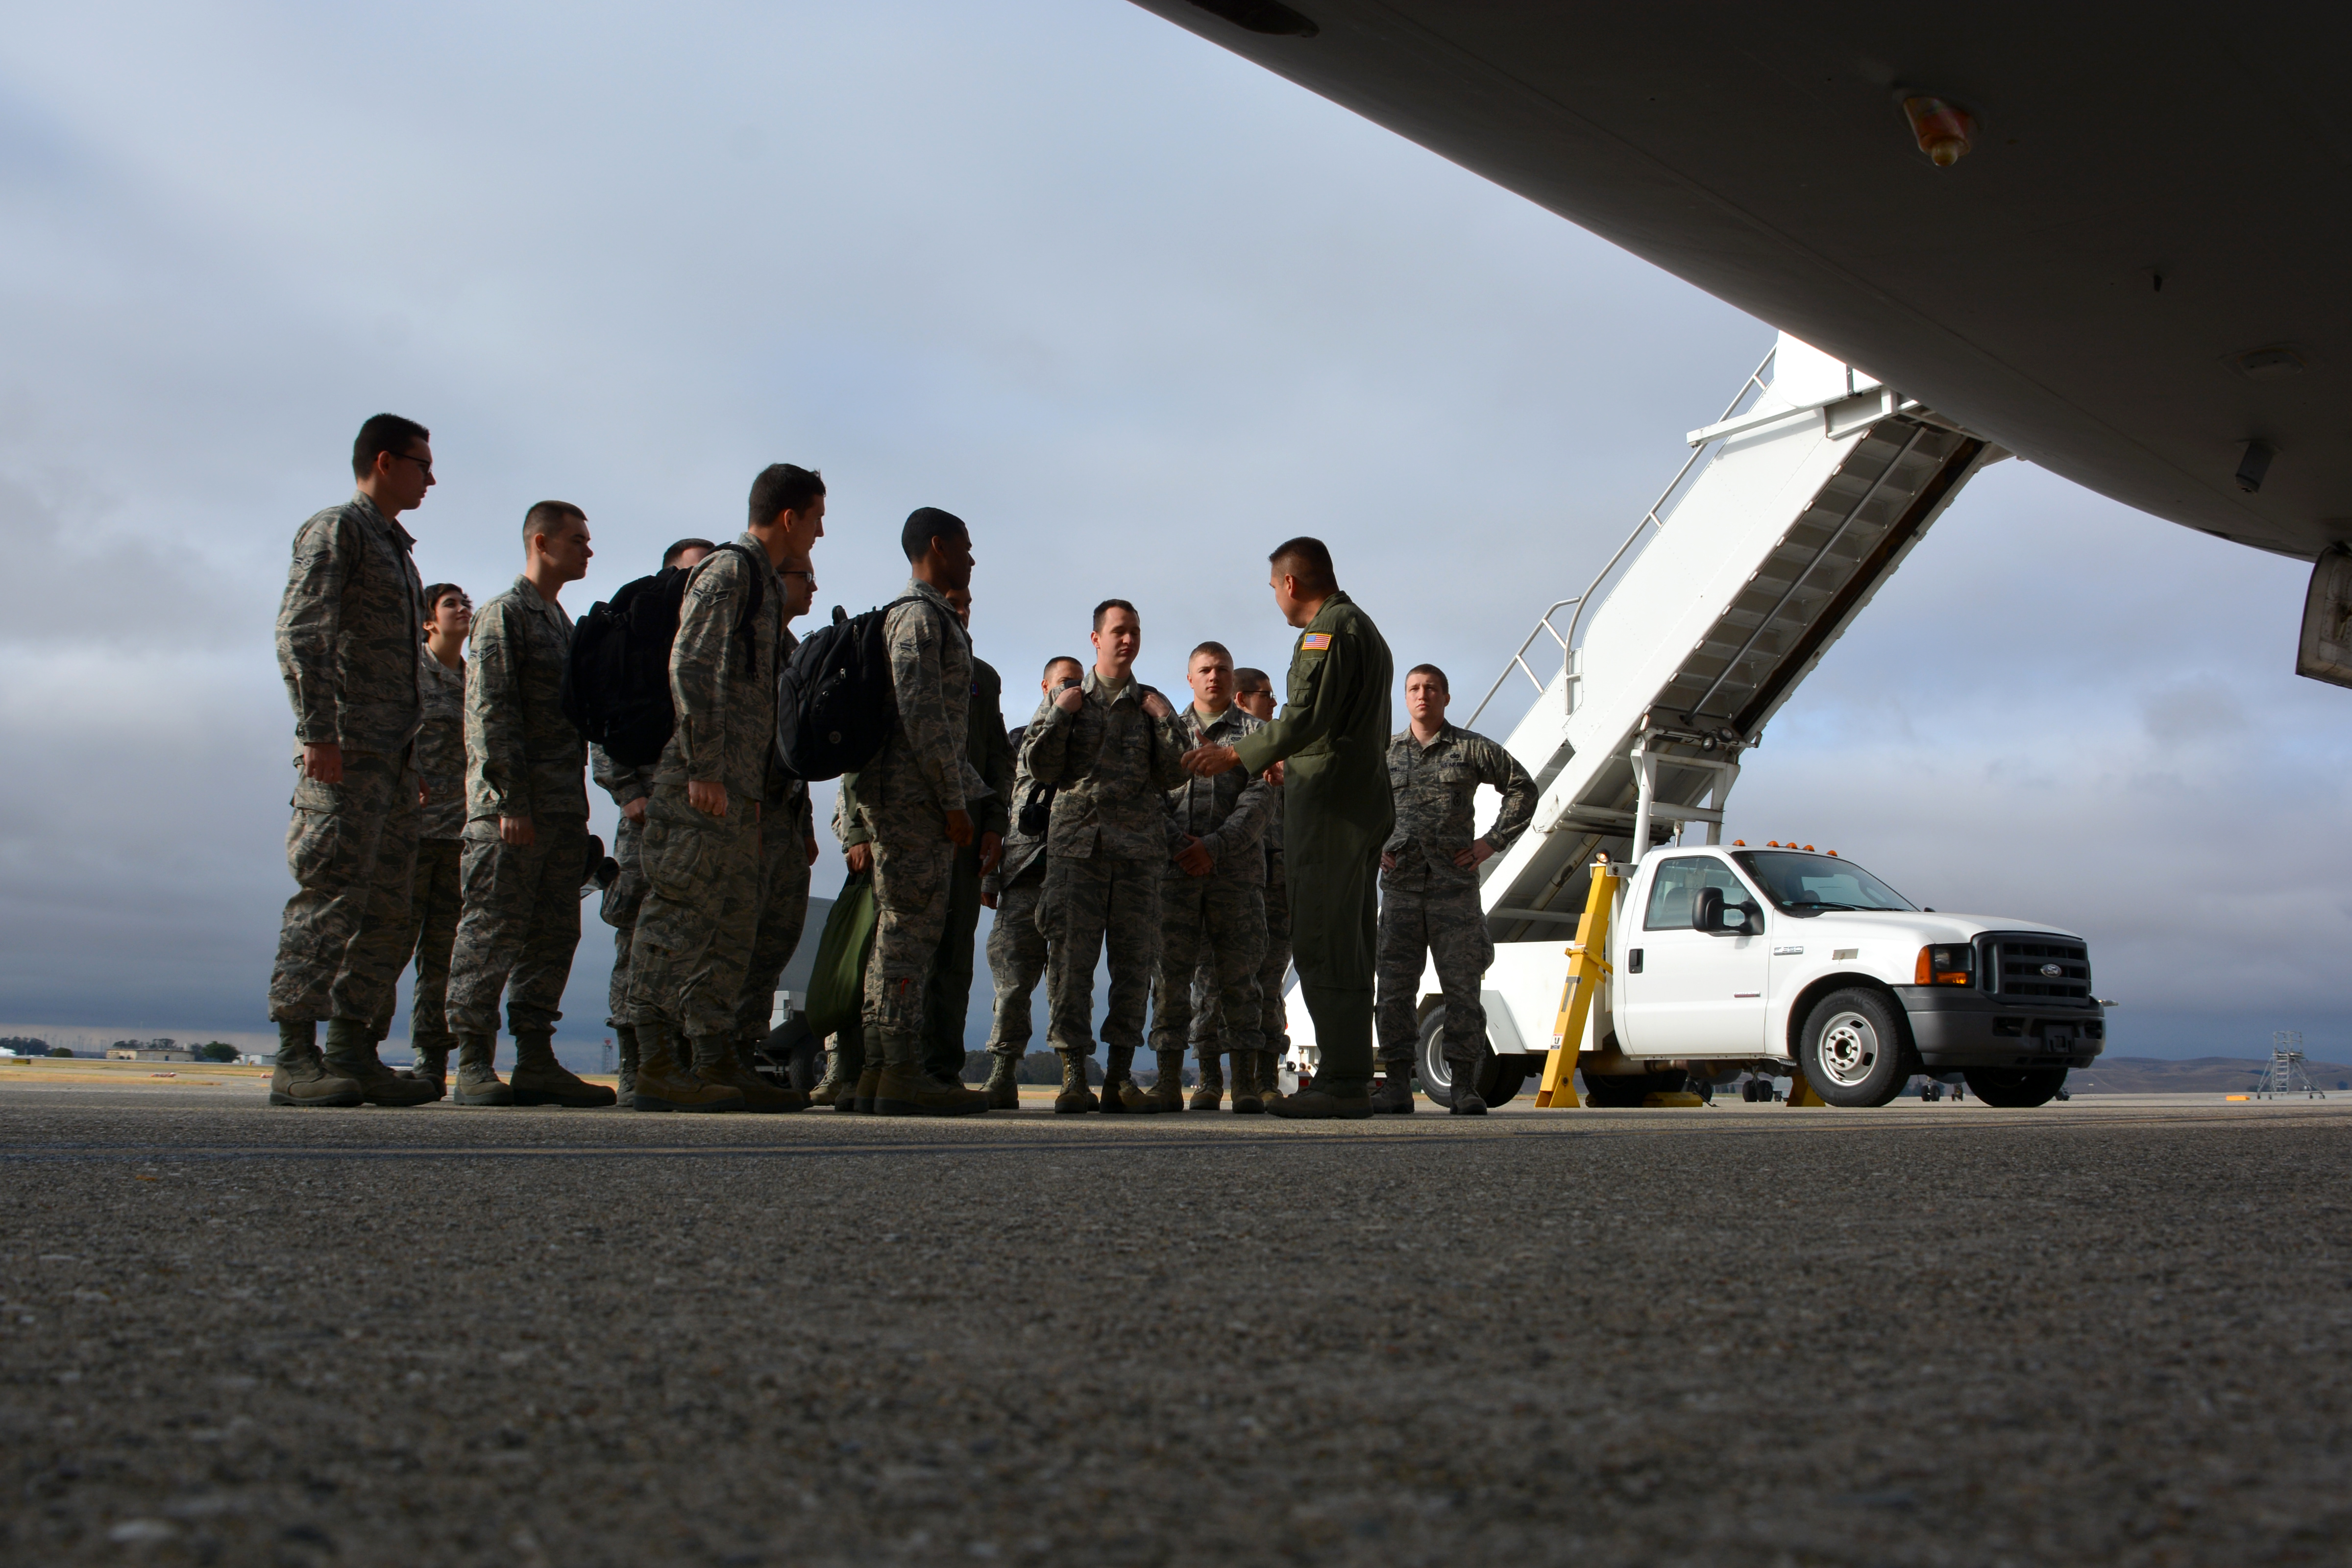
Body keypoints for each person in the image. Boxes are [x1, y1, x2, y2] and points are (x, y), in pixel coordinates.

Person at [1181, 538, 1392, 1119]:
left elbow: (1306, 717)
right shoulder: (1364, 627)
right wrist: (1291, 759)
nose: (1275, 597)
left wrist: (1239, 755)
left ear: (1291, 584)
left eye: (1274, 586)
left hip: (1330, 810)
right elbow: (1336, 729)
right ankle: (1345, 1071)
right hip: (1356, 798)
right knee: (1349, 942)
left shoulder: (1325, 631)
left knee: (1324, 940)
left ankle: (1344, 1081)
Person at [266, 413, 441, 1108]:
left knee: (389, 911)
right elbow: (300, 632)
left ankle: (352, 1050)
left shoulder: (397, 549)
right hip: (344, 752)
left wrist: (414, 759)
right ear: (384, 460)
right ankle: (294, 1058)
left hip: (391, 762)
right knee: (329, 896)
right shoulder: (338, 529)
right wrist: (319, 734)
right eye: (422, 463)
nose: (432, 477)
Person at [625, 483, 800, 1112]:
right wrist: (703, 765)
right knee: (675, 918)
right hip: (701, 783)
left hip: (740, 792)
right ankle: (651, 1061)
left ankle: (713, 1057)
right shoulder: (728, 571)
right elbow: (691, 663)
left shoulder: (764, 583)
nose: (821, 532)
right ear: (790, 515)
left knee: (726, 929)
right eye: (817, 519)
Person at [442, 502, 615, 1108]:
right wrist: (509, 801)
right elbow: (490, 712)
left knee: (552, 934)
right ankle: (470, 1061)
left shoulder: (562, 622)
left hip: (562, 811)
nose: (588, 550)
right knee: (491, 931)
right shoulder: (503, 614)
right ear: (540, 542)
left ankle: (536, 1058)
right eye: (577, 540)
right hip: (512, 812)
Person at [835, 586, 1012, 1104]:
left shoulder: (981, 677)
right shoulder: (902, 639)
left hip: (964, 828)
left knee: (952, 952)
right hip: (912, 818)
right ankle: (881, 1066)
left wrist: (994, 822)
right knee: (895, 941)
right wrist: (857, 829)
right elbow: (863, 743)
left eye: (966, 602)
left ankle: (937, 1068)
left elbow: (998, 757)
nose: (959, 608)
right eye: (952, 598)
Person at [1023, 599, 1188, 1113]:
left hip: (1138, 851)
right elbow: (1040, 765)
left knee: (1134, 966)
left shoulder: (1150, 703)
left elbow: (1177, 772)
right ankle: (1074, 1075)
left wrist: (1166, 719)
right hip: (1079, 849)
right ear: (1096, 639)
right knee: (1071, 963)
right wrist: (1059, 715)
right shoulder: (1070, 698)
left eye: (1135, 631)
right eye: (1119, 631)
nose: (1128, 640)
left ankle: (1119, 1077)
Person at [1373, 664, 1537, 1115]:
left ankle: (1464, 1085)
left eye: (1431, 689)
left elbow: (1522, 787)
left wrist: (1492, 842)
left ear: (1446, 698)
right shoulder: (1384, 752)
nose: (1422, 695)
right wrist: (1374, 847)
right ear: (1405, 698)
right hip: (1402, 888)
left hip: (1454, 890)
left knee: (1462, 989)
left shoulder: (1470, 748)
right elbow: (1356, 803)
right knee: (1393, 991)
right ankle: (1396, 1087)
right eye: (1414, 689)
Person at [594, 538, 713, 1101]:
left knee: (687, 940)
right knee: (635, 937)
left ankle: (678, 1059)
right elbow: (604, 718)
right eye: (690, 572)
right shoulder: (640, 635)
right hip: (645, 817)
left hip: (695, 822)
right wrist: (626, 792)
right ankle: (634, 1066)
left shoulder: (705, 639)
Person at [728, 525, 829, 1113]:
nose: (812, 585)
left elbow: (792, 750)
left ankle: (741, 1054)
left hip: (783, 814)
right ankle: (691, 1055)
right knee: (730, 936)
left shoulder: (791, 649)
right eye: (802, 575)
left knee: (771, 941)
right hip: (739, 806)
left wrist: (808, 822)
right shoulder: (740, 623)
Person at [1151, 642, 1274, 1111]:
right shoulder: (1168, 734)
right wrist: (1182, 847)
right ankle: (1183, 1081)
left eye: (1222, 669)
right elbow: (1150, 796)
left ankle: (1243, 1081)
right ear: (1190, 678)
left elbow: (1261, 800)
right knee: (1171, 979)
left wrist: (1214, 848)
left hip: (1236, 876)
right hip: (1175, 876)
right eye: (1204, 670)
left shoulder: (1257, 733)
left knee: (1239, 979)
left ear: (1232, 677)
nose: (1214, 677)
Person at [979, 655, 1083, 1102]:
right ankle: (1002, 1071)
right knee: (1012, 979)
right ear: (1045, 686)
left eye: (1079, 683)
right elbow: (999, 805)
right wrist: (989, 877)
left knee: (1070, 979)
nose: (1072, 689)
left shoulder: (1091, 742)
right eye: (1064, 682)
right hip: (1022, 872)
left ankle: (1075, 1074)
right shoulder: (1021, 740)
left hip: (1074, 873)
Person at [388, 583, 472, 1094]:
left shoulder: (476, 676)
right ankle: (356, 1050)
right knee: (391, 944)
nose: (465, 609)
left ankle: (432, 1064)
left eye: (467, 602)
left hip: (460, 836)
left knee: (444, 955)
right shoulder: (412, 673)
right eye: (452, 604)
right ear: (427, 621)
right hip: (412, 832)